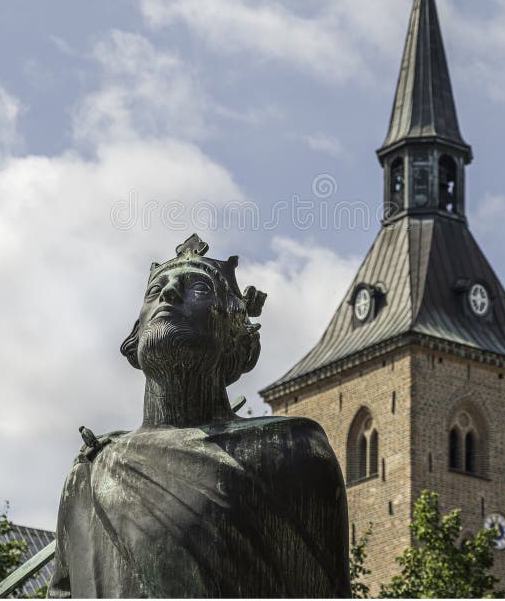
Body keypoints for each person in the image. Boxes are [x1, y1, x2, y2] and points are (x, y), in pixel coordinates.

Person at [48, 234, 351, 598]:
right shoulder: (90, 471)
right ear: (136, 335)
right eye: (155, 289)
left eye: (200, 289)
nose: (169, 292)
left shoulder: (292, 454)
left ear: (235, 337)